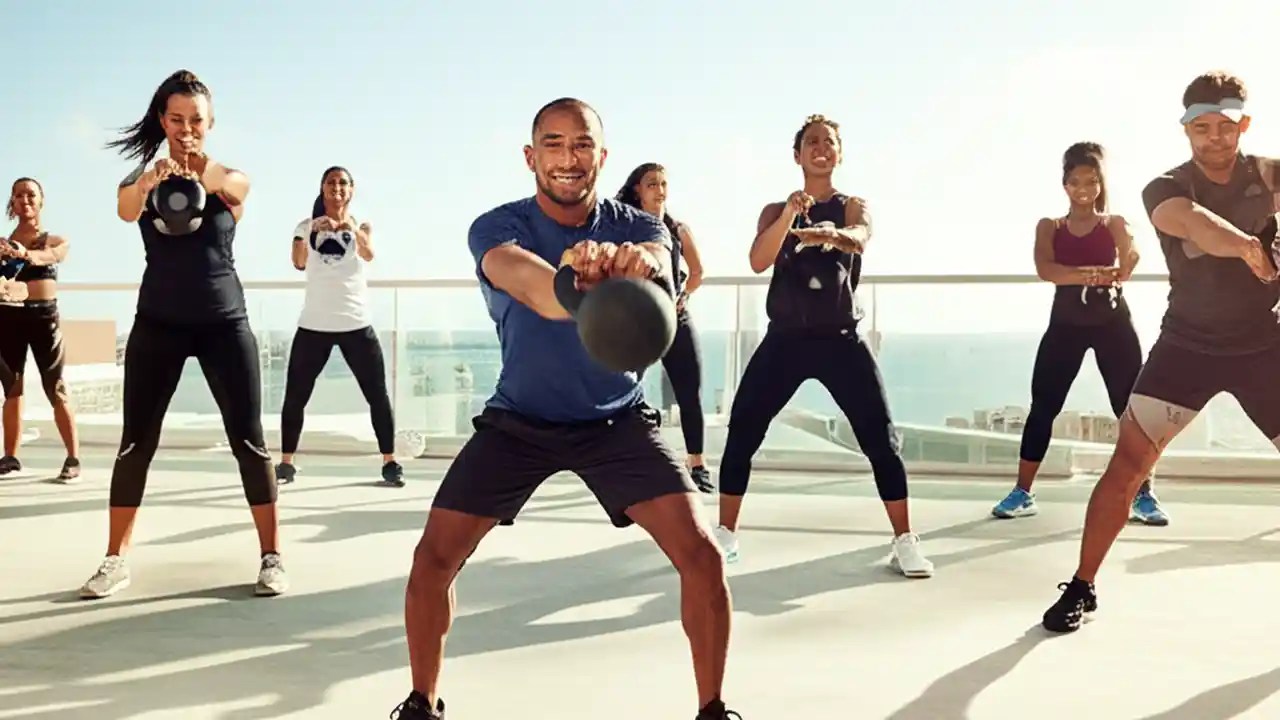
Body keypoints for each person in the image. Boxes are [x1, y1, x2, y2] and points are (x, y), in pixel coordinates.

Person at [392, 98, 739, 720]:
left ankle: (712, 710)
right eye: (553, 144)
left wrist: (640, 266)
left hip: (616, 421)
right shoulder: (497, 226)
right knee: (432, 559)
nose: (568, 158)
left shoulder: (639, 224)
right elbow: (524, 280)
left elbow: (659, 266)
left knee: (703, 557)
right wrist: (576, 276)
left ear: (602, 157)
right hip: (518, 422)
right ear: (531, 157)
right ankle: (422, 704)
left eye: (582, 145)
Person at [1042, 71, 1280, 633]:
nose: (1215, 137)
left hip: (1264, 347)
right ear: (1186, 129)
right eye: (1202, 127)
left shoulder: (1271, 175)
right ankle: (1082, 585)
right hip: (1187, 346)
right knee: (1126, 467)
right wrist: (1248, 246)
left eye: (1226, 126)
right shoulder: (1166, 185)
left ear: (1243, 124)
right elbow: (1192, 225)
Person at [78, 69, 286, 600]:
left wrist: (202, 169)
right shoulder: (144, 184)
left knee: (249, 443)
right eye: (176, 119)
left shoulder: (227, 181)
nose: (186, 128)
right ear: (162, 120)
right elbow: (125, 208)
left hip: (224, 324)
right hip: (158, 325)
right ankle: (114, 559)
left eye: (196, 120)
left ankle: (271, 556)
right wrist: (150, 180)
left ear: (210, 122)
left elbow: (237, 187)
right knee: (134, 446)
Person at [711, 114, 933, 577]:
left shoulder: (852, 205)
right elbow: (757, 260)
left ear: (839, 152)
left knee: (882, 440)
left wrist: (833, 234)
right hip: (785, 340)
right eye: (811, 142)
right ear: (797, 155)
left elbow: (861, 236)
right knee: (744, 430)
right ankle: (726, 536)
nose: (820, 148)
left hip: (840, 341)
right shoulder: (776, 210)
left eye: (829, 142)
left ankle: (904, 540)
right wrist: (793, 214)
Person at [992, 144, 1168, 525]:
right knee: (1044, 407)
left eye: (1090, 180)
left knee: (1129, 410)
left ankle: (1144, 494)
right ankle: (1022, 492)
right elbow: (1046, 268)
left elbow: (1131, 254)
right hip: (1066, 326)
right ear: (1065, 184)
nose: (1083, 188)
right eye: (1075, 181)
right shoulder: (1049, 226)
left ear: (1100, 183)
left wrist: (1121, 268)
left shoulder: (1115, 222)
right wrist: (1090, 274)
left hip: (1113, 324)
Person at [275, 166, 403, 487]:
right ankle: (286, 463)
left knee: (377, 395)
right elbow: (298, 260)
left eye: (343, 183)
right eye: (331, 183)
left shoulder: (362, 225)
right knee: (295, 396)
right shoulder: (305, 225)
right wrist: (309, 233)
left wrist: (352, 230)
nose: (337, 188)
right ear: (322, 189)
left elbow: (370, 254)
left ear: (351, 190)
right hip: (314, 324)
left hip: (356, 323)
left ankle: (390, 462)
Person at [615, 162, 712, 492]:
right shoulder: (626, 229)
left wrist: (683, 297)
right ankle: (622, 461)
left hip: (676, 320)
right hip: (639, 321)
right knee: (625, 391)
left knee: (690, 392)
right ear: (638, 191)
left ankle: (696, 463)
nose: (660, 189)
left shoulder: (678, 230)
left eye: (664, 183)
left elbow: (697, 272)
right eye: (652, 184)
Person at [0, 177, 81, 482]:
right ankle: (10, 457)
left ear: (41, 200)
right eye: (18, 195)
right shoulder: (2, 244)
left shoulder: (53, 240)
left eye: (30, 194)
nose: (25, 199)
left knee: (56, 387)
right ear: (12, 202)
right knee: (11, 388)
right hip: (8, 317)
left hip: (44, 318)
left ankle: (73, 457)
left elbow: (55, 255)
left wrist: (25, 255)